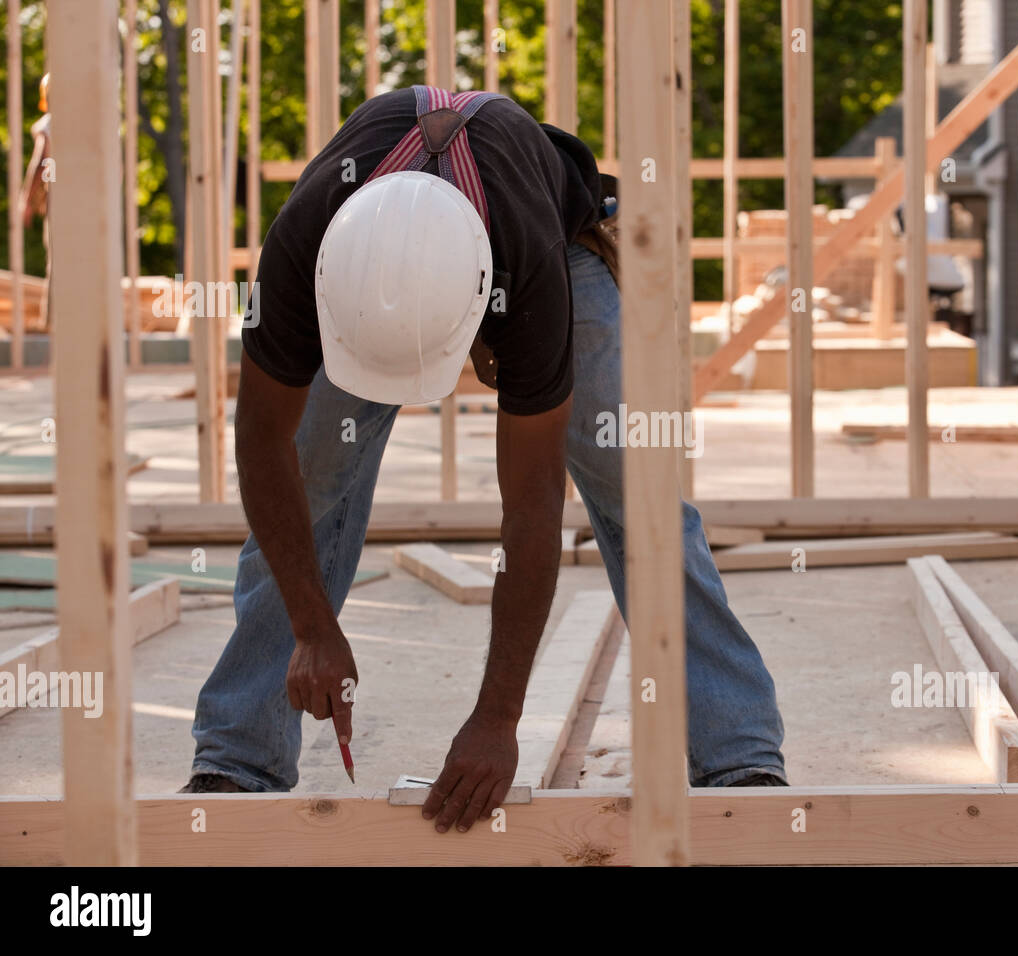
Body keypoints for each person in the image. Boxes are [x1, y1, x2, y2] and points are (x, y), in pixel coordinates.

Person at [182, 86, 787, 834]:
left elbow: (529, 517)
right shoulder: (303, 248)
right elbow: (260, 445)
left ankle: (739, 754)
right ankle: (238, 760)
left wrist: (499, 720)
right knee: (310, 486)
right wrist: (312, 627)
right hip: (395, 264)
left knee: (637, 492)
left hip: (553, 239)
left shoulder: (533, 286)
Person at [19, 72, 53, 330]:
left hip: (61, 199)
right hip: (89, 204)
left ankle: (52, 323)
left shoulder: (49, 124)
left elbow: (40, 162)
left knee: (58, 260)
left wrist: (26, 200)